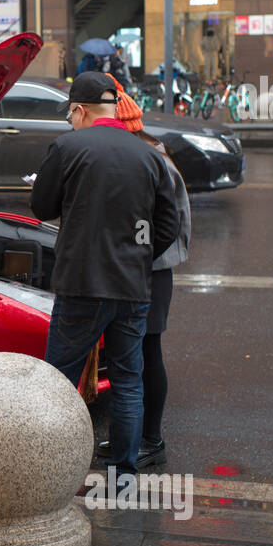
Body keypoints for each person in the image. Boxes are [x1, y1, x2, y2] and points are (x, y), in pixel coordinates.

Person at [29, 72, 179, 476]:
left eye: (69, 115)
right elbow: (169, 224)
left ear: (79, 110)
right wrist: (139, 257)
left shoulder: (68, 147)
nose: (69, 122)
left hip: (81, 283)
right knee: (130, 379)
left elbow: (41, 208)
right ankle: (123, 470)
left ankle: (52, 465)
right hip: (132, 285)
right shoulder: (149, 154)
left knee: (60, 378)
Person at [94, 90, 191, 471]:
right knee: (131, 354)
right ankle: (129, 439)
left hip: (150, 271)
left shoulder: (149, 159)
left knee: (147, 354)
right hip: (143, 267)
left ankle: (151, 440)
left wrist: (135, 257)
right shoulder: (143, 151)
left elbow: (163, 225)